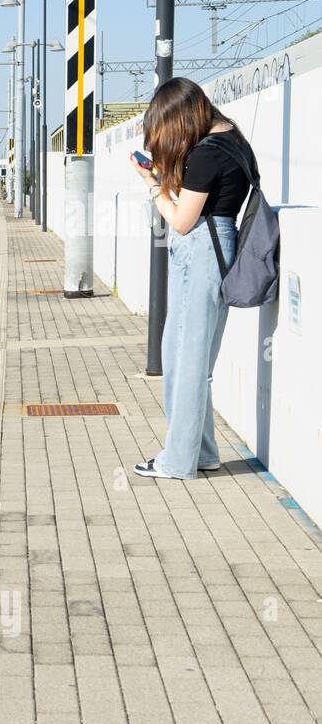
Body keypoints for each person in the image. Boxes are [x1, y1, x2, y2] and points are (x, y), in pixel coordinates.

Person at [130, 77, 255, 480]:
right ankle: (201, 452)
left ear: (182, 118)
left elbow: (182, 220)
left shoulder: (207, 154)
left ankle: (178, 461)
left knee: (186, 361)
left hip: (204, 250)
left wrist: (151, 185)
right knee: (187, 357)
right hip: (216, 247)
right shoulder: (233, 138)